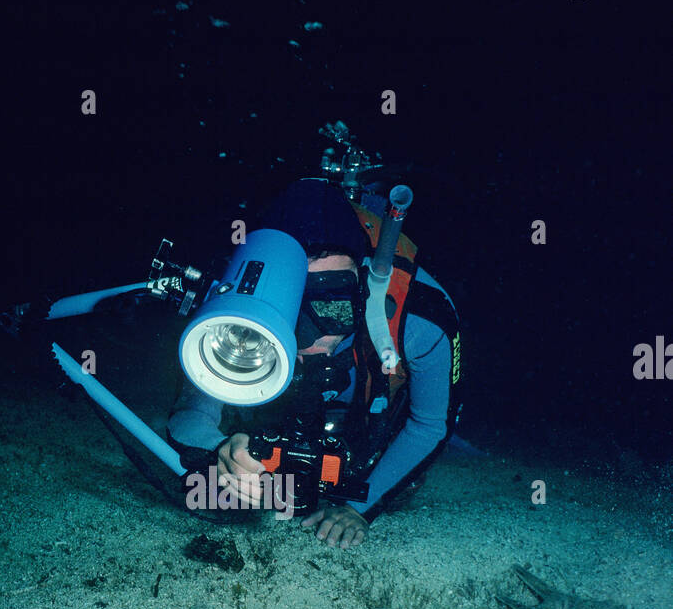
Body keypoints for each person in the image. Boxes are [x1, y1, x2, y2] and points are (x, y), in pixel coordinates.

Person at [167, 177, 462, 548]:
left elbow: (430, 423)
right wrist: (222, 450)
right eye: (291, 312)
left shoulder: (419, 318)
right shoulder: (232, 318)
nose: (311, 340)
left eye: (332, 307)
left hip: (369, 434)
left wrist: (359, 506)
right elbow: (191, 413)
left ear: (362, 287)